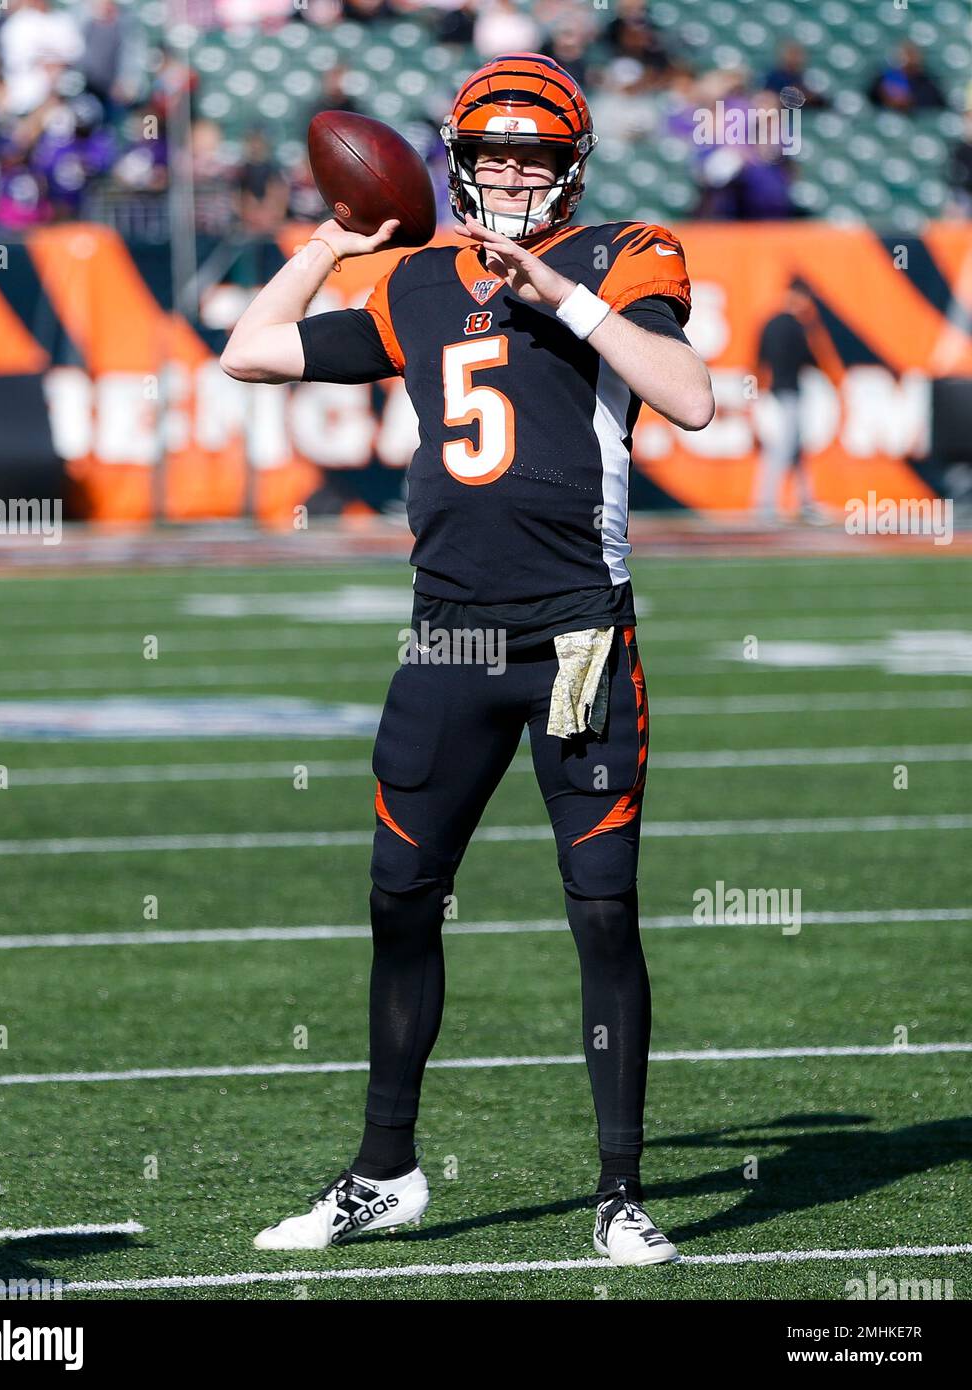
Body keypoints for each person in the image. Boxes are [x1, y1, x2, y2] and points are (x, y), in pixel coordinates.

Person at [222, 52, 713, 1268]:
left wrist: (558, 292)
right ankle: (383, 1172)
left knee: (600, 914)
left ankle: (616, 1191)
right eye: (491, 154)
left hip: (575, 637)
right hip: (447, 634)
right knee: (397, 900)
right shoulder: (420, 281)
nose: (509, 173)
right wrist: (336, 243)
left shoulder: (621, 257)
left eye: (530, 157)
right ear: (455, 163)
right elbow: (249, 350)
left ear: (568, 169)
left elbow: (689, 398)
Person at [753, 279, 844, 525]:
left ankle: (804, 499)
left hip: (774, 392)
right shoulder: (795, 325)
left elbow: (759, 360)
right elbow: (811, 359)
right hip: (788, 392)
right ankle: (765, 504)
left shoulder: (771, 322)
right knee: (782, 449)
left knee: (794, 449)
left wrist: (756, 393)